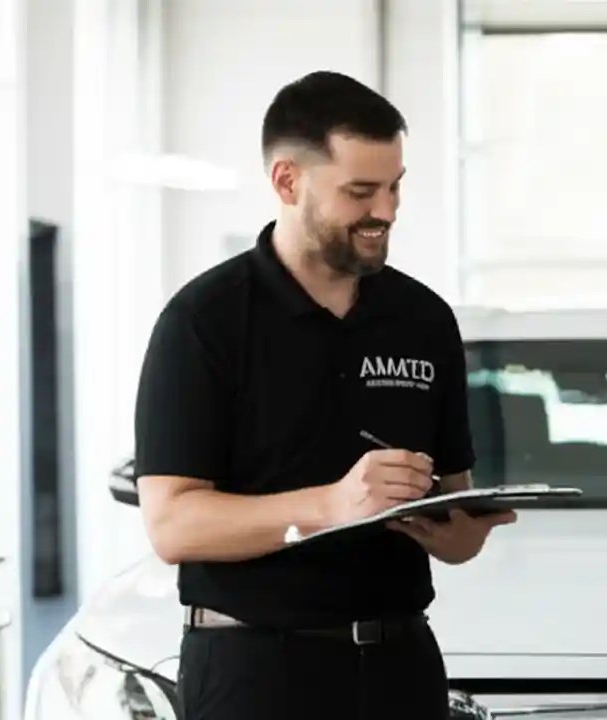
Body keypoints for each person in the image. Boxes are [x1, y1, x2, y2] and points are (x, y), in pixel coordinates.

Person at [132, 70, 516, 720]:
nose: (387, 212)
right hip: (253, 672)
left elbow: (455, 508)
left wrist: (458, 535)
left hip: (401, 666)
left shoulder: (423, 319)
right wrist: (334, 505)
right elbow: (172, 524)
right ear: (288, 181)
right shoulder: (204, 322)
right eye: (360, 191)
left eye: (395, 186)